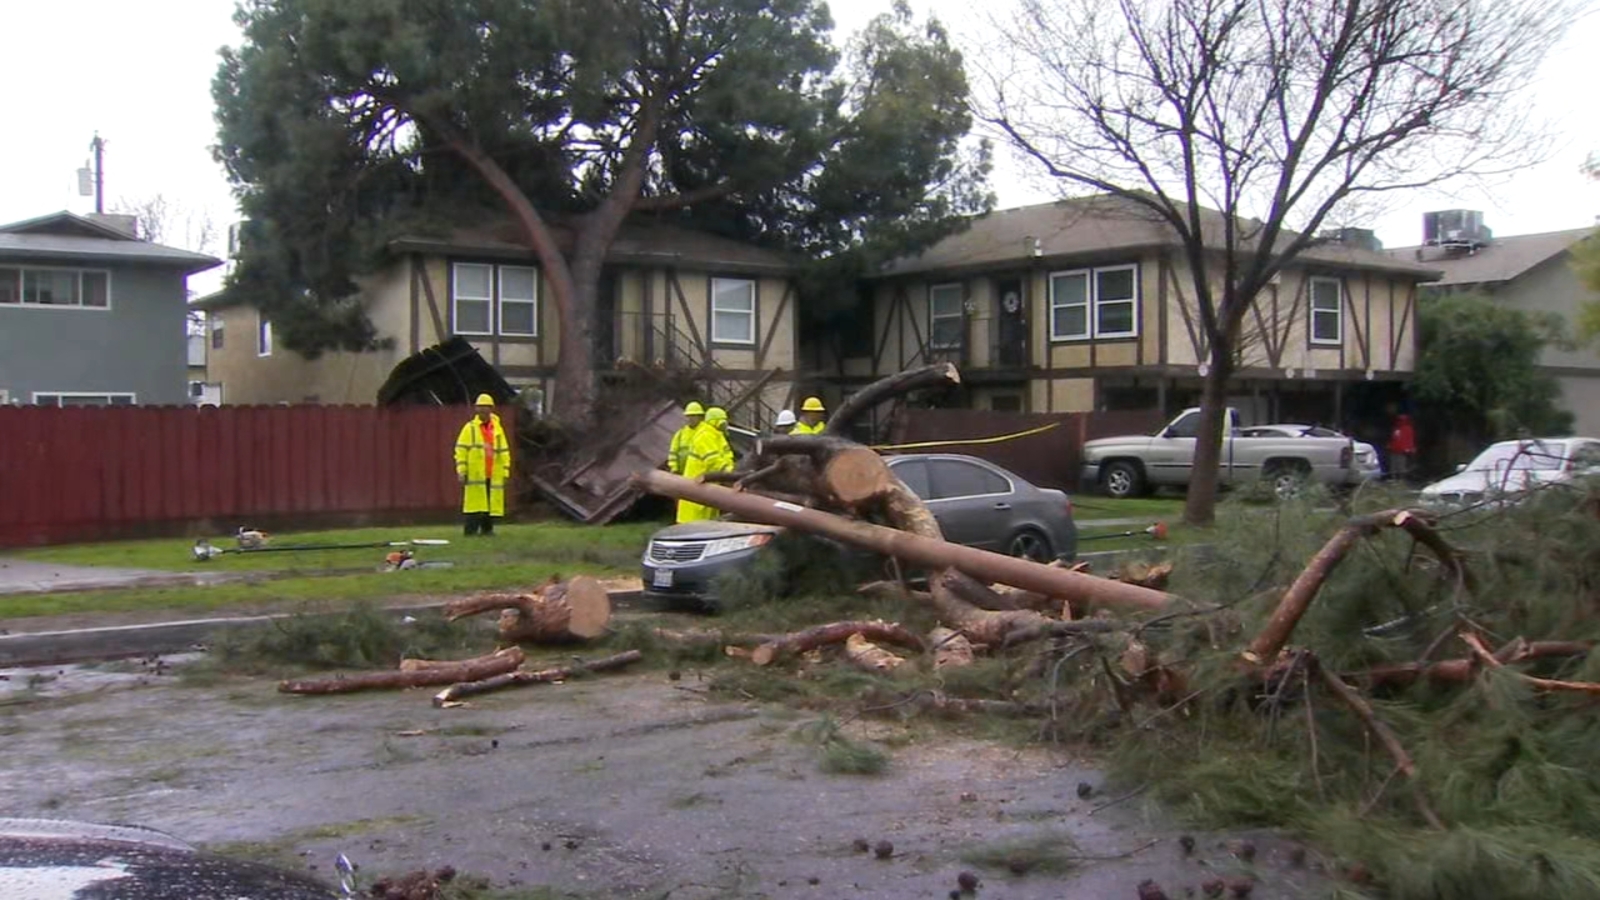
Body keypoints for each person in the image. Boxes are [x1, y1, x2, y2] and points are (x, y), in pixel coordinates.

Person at [454, 394, 511, 536]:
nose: (482, 410)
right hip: (475, 473)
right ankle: (470, 531)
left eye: (485, 407)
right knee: (473, 505)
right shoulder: (469, 428)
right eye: (480, 407)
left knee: (489, 505)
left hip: (493, 472)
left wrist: (505, 472)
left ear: (491, 409)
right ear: (476, 409)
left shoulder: (497, 429)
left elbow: (504, 451)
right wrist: (462, 470)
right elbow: (460, 450)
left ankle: (487, 530)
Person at [677, 407, 734, 523]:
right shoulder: (705, 435)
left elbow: (727, 454)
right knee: (695, 515)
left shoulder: (717, 435)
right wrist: (729, 471)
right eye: (722, 421)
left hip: (709, 482)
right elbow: (712, 460)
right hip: (697, 481)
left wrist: (730, 468)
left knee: (708, 515)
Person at [667, 401, 705, 474]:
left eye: (693, 416)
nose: (690, 418)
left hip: (698, 474)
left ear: (700, 417)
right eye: (688, 416)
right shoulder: (681, 433)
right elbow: (673, 452)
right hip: (681, 473)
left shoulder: (705, 432)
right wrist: (674, 468)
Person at [1387, 412, 1417, 483]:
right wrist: (1390, 445)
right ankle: (1393, 478)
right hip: (1394, 449)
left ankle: (1401, 479)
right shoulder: (1396, 428)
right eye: (1399, 420)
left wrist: (1409, 447)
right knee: (1393, 464)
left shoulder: (1408, 428)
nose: (1400, 421)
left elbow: (1410, 439)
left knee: (1401, 464)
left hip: (1402, 450)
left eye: (1401, 420)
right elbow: (1393, 438)